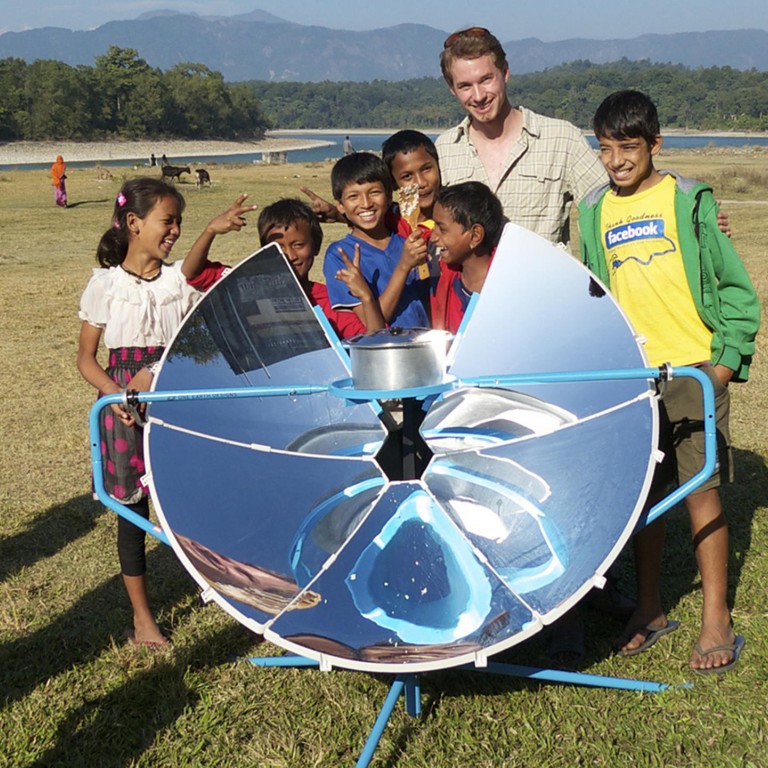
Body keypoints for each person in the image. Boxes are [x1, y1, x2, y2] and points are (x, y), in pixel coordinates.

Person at [578, 90, 760, 673]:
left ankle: (715, 617)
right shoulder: (593, 210)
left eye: (628, 148)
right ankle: (650, 607)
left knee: (700, 491)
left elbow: (734, 286)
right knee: (646, 497)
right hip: (633, 377)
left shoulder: (687, 200)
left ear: (656, 144)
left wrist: (725, 361)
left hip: (692, 373)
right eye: (605, 149)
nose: (616, 161)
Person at [76, 178, 252, 649]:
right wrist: (119, 395)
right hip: (122, 411)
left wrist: (211, 232)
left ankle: (227, 589)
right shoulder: (105, 286)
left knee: (193, 498)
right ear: (133, 223)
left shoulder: (179, 282)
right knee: (132, 514)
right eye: (166, 221)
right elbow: (86, 360)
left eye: (180, 222)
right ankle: (142, 620)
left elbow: (195, 344)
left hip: (175, 402)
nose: (174, 230)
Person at [435, 27, 607, 246]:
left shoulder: (562, 140)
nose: (478, 96)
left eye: (486, 79)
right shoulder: (445, 149)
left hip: (543, 279)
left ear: (505, 72)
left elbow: (606, 214)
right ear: (452, 89)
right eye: (465, 86)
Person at [322, 152, 429, 329]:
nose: (366, 203)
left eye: (374, 192)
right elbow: (376, 328)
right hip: (386, 354)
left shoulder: (406, 242)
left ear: (388, 197)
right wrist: (404, 266)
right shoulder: (340, 256)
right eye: (353, 196)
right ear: (340, 206)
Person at [258, 199, 385, 337]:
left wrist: (366, 297)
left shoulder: (329, 301)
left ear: (316, 246)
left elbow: (375, 342)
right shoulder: (251, 297)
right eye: (278, 247)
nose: (289, 256)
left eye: (298, 245)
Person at [429, 181, 504, 333]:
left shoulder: (504, 287)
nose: (433, 237)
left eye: (442, 229)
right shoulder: (447, 278)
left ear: (475, 235)